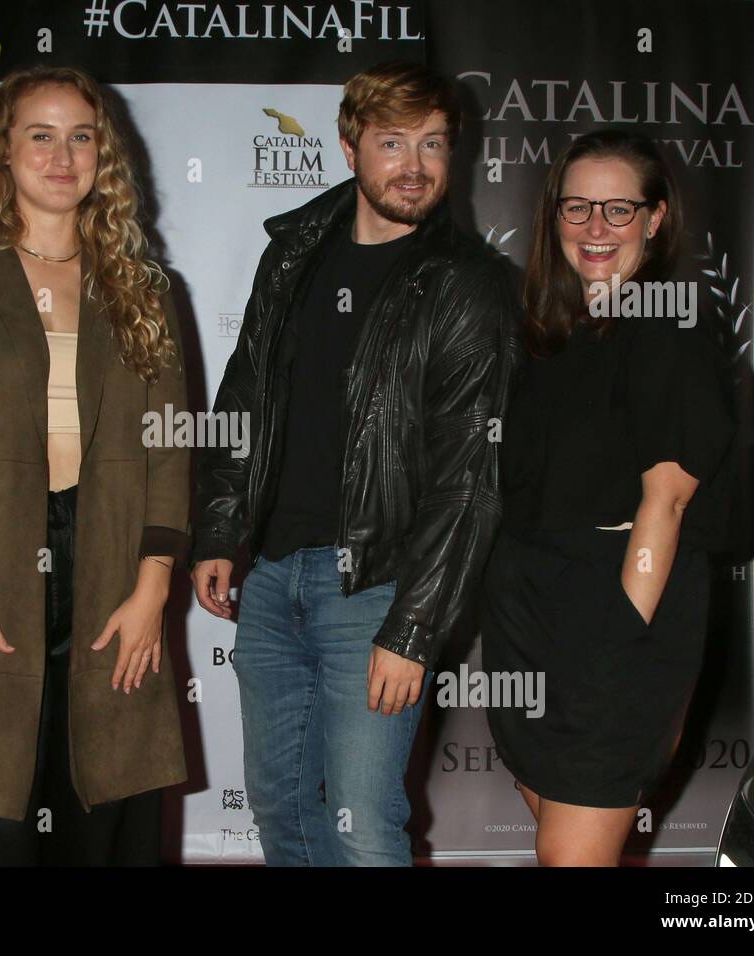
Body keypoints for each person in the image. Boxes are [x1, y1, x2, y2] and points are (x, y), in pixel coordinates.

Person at [191, 62, 520, 866]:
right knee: (282, 816)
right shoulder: (295, 252)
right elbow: (246, 395)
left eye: (433, 144)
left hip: (376, 587)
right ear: (348, 148)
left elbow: (469, 479)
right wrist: (218, 528)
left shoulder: (470, 285)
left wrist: (410, 628)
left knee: (366, 828)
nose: (415, 165)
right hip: (268, 580)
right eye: (392, 142)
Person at [0, 66, 190, 866]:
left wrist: (154, 589)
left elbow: (170, 447)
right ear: (3, 151)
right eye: (41, 135)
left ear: (104, 155)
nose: (64, 155)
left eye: (81, 136)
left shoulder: (143, 288)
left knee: (107, 797)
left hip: (111, 558)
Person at [481, 130, 736, 866]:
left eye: (619, 210)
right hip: (526, 609)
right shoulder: (546, 336)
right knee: (558, 839)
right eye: (577, 208)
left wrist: (624, 630)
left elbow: (669, 500)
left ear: (656, 220)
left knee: (572, 857)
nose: (595, 229)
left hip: (615, 606)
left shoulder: (669, 320)